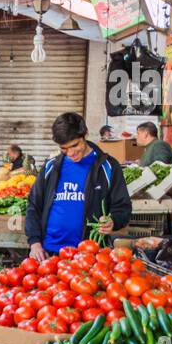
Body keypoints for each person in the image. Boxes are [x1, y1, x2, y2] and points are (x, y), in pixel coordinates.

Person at [24, 112, 132, 261]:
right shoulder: (51, 167)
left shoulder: (108, 167)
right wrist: (35, 243)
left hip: (88, 255)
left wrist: (113, 221)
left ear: (85, 135)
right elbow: (33, 205)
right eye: (64, 149)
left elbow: (123, 207)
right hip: (49, 254)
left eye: (75, 145)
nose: (71, 153)